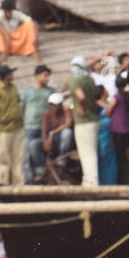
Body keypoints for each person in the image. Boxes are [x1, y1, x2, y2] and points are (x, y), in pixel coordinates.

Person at [0, 64, 24, 186]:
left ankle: (19, 183)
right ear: (6, 76)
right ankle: (2, 183)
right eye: (11, 73)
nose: (13, 75)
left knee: (19, 157)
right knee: (3, 157)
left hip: (18, 126)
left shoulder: (13, 88)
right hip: (3, 128)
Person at [20, 65, 55, 183]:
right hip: (30, 126)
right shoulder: (27, 91)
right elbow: (22, 108)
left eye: (48, 76)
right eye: (45, 75)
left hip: (45, 128)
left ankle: (43, 177)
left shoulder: (51, 91)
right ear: (36, 76)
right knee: (27, 156)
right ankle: (28, 182)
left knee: (41, 151)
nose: (47, 78)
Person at [69, 55, 100, 186]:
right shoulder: (90, 79)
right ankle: (89, 181)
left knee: (87, 154)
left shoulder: (75, 81)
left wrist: (81, 107)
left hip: (83, 122)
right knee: (92, 152)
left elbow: (80, 96)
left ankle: (91, 183)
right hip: (94, 120)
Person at [41, 92, 75, 178]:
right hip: (52, 142)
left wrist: (52, 133)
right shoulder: (47, 115)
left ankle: (61, 161)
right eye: (51, 104)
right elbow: (44, 131)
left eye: (55, 105)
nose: (53, 107)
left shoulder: (66, 112)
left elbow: (68, 124)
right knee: (33, 144)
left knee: (67, 133)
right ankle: (40, 170)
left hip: (64, 142)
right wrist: (46, 142)